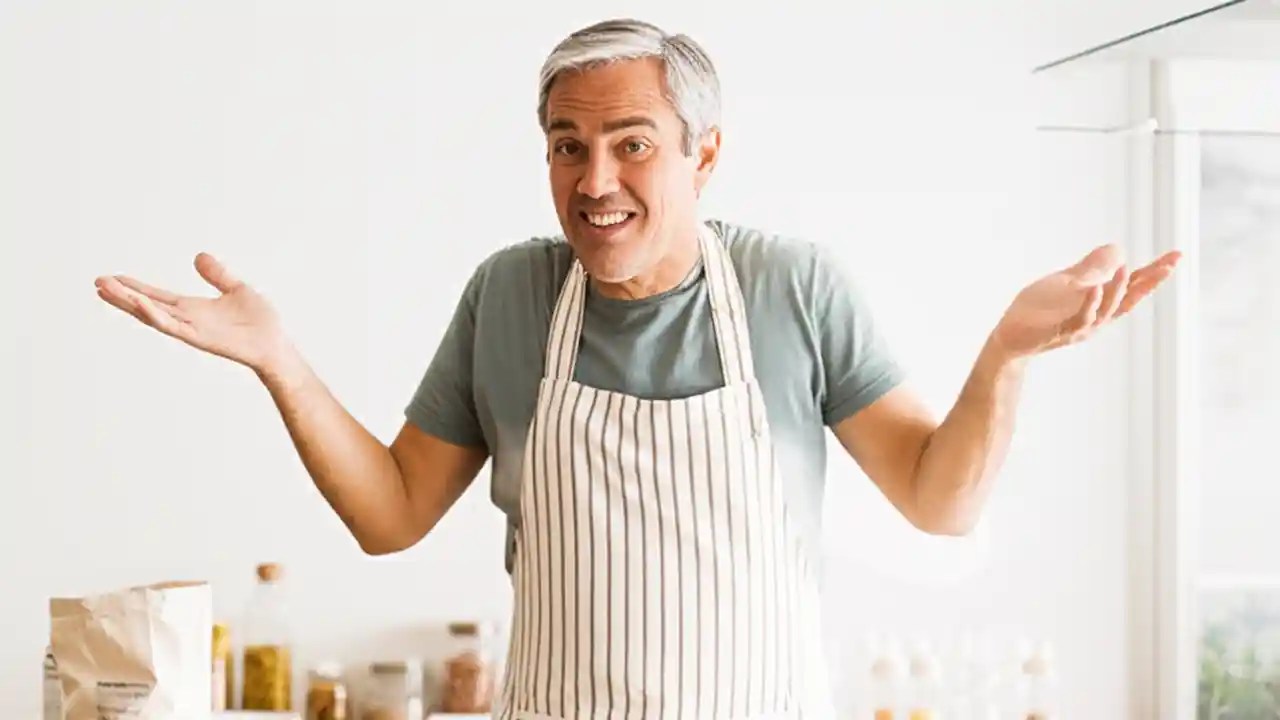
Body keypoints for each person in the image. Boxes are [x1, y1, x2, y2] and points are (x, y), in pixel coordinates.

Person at [93, 17, 1180, 720]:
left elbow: (937, 502)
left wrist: (1005, 353)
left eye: (630, 141)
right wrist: (278, 359)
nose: (593, 177)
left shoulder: (789, 287)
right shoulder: (510, 295)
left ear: (703, 150)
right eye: (565, 144)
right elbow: (391, 515)